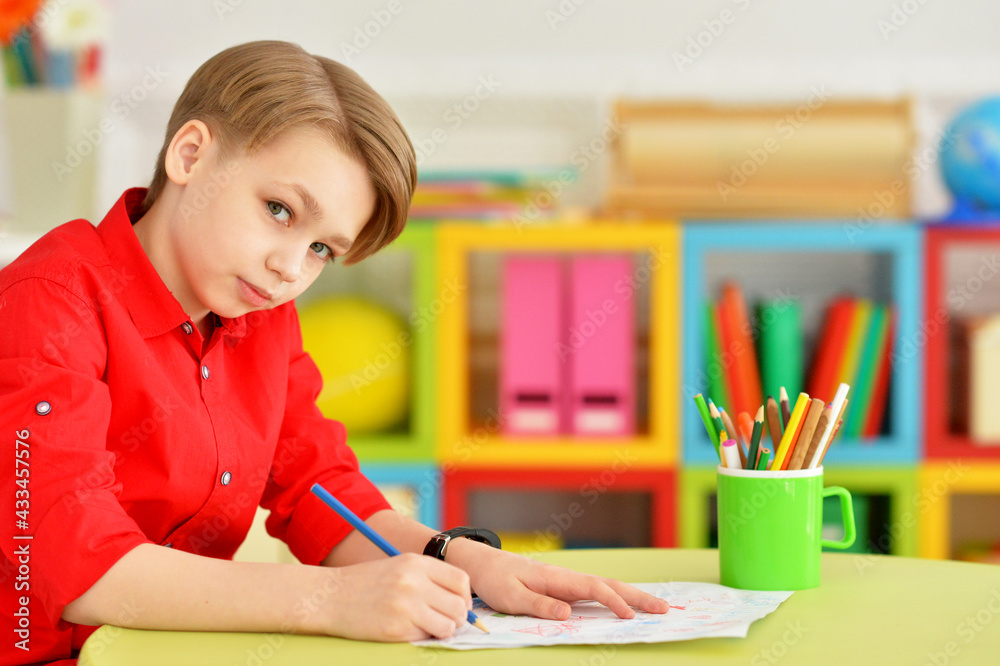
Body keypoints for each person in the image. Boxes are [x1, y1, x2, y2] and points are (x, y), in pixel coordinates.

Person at [0, 40, 667, 665]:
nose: (292, 268)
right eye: (281, 211)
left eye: (323, 249)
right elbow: (72, 565)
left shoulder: (259, 311)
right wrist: (331, 600)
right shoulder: (48, 302)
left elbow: (320, 491)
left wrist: (460, 559)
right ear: (191, 155)